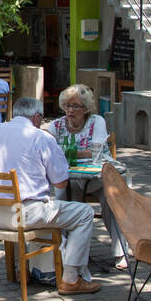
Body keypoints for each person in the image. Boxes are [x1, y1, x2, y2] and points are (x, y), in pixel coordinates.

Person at [0, 96, 101, 295]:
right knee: (85, 212)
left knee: (41, 207)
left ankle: (23, 270)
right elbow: (60, 182)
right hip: (24, 214)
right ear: (36, 117)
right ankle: (71, 279)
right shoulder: (40, 136)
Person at [44, 84, 127, 269]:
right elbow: (44, 147)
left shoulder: (96, 121)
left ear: (86, 108)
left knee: (110, 197)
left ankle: (120, 251)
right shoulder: (56, 125)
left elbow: (95, 151)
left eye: (75, 106)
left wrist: (65, 152)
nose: (70, 110)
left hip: (98, 178)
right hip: (70, 178)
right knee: (65, 192)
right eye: (67, 105)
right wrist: (74, 152)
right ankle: (69, 250)